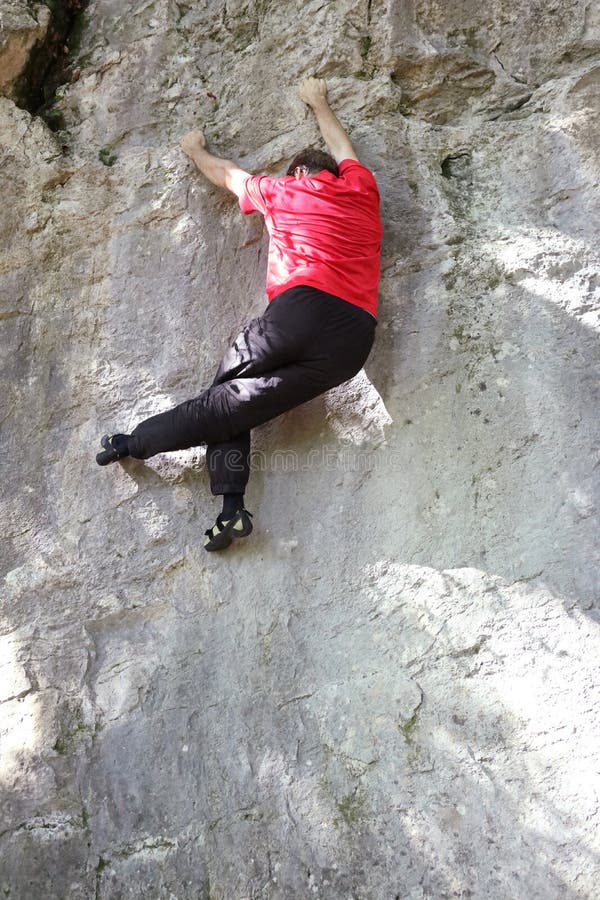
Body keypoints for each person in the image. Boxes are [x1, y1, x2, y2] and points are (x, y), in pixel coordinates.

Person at [96, 77, 382, 551]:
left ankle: (133, 443)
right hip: (353, 341)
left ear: (296, 176)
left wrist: (194, 151)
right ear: (334, 174)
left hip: (301, 312)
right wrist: (318, 102)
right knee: (239, 402)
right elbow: (342, 144)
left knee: (224, 399)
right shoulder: (361, 189)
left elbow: (226, 173)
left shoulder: (283, 193)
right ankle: (231, 512)